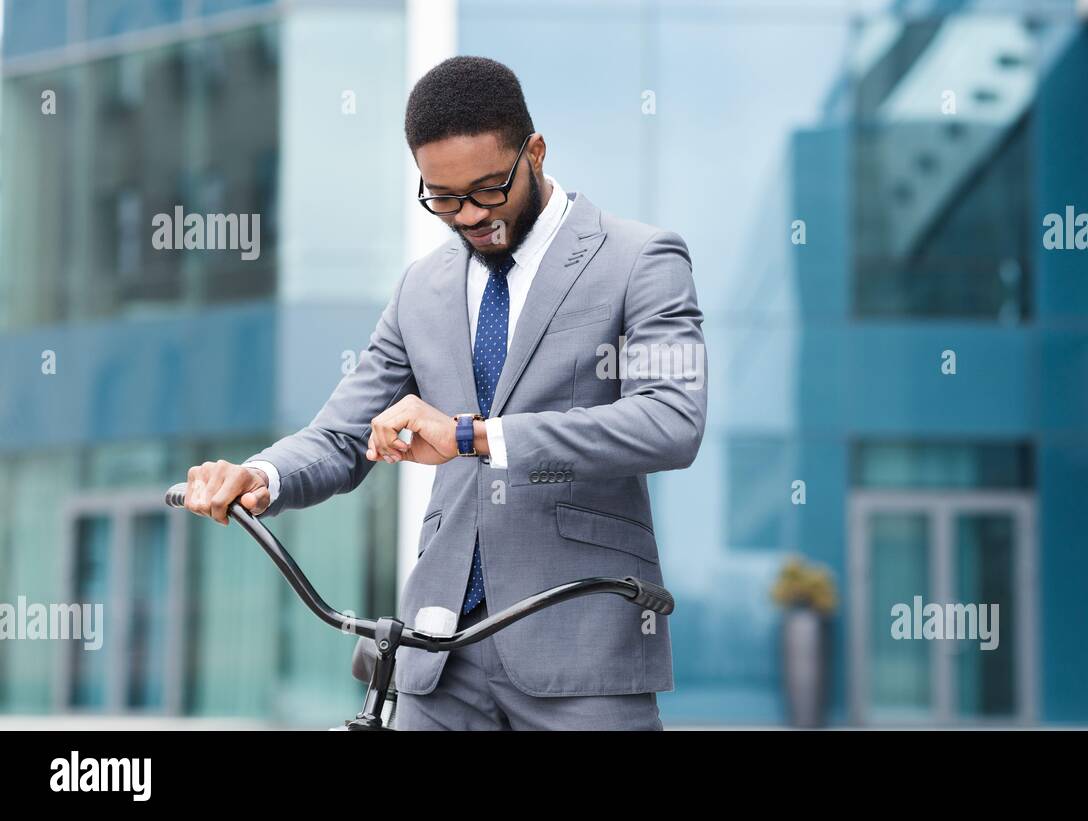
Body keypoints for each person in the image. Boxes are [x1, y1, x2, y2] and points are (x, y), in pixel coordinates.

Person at [181, 55, 707, 730]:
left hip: (580, 642)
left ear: (535, 152)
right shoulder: (420, 288)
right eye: (444, 198)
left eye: (489, 190)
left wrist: (474, 435)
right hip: (438, 656)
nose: (470, 217)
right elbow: (343, 435)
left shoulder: (641, 259)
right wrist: (258, 473)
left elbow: (671, 420)